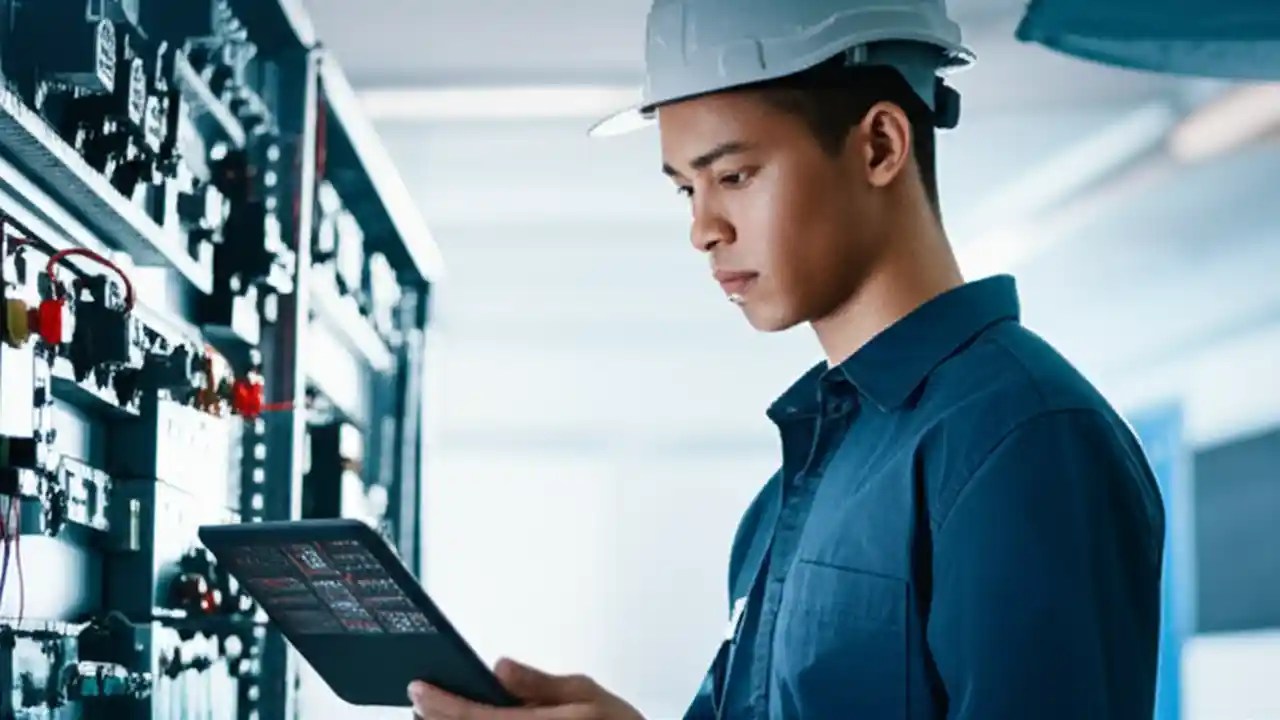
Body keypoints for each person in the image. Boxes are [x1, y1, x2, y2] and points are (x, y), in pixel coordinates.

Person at [409, 0, 1166, 717]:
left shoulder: (1021, 440)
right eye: (686, 190)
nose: (703, 229)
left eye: (734, 175)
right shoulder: (801, 480)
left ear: (879, 146)